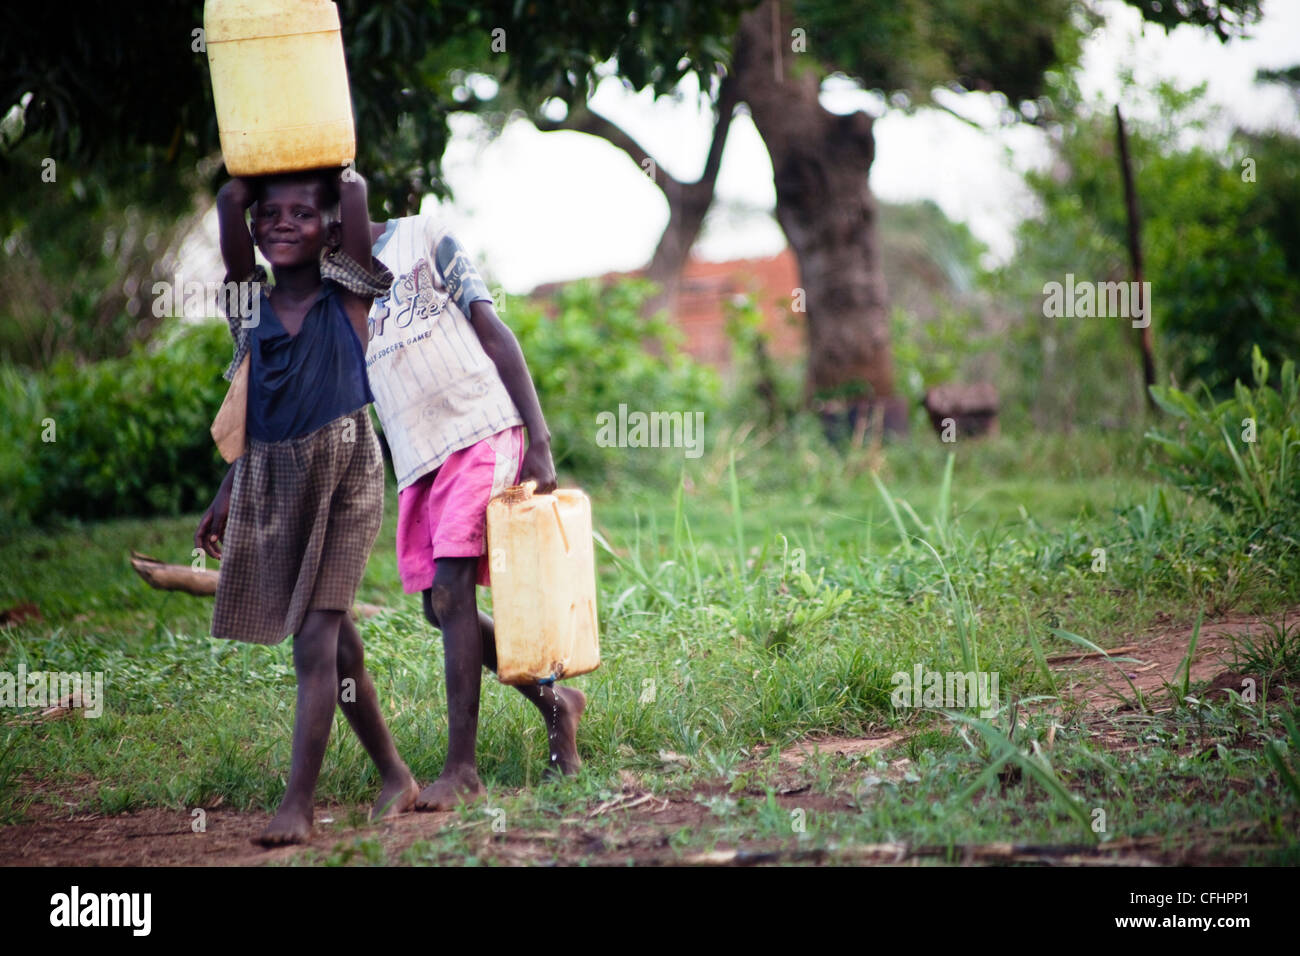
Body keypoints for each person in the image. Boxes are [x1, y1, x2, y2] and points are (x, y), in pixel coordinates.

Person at [195, 168, 419, 845]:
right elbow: (259, 407)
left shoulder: (347, 293)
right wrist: (227, 488)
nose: (283, 223)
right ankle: (395, 775)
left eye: (302, 213)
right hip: (274, 479)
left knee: (316, 639)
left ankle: (297, 804)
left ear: (327, 230)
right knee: (340, 642)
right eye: (271, 215)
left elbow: (355, 217)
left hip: (348, 473)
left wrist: (345, 179)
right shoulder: (247, 305)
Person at [363, 212, 585, 809]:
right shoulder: (333, 287)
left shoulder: (423, 238)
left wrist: (538, 440)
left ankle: (462, 768)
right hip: (418, 459)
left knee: (455, 593)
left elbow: (493, 331)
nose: (302, 226)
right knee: (440, 609)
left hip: (480, 428)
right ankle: (556, 700)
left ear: (346, 187)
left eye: (314, 206)